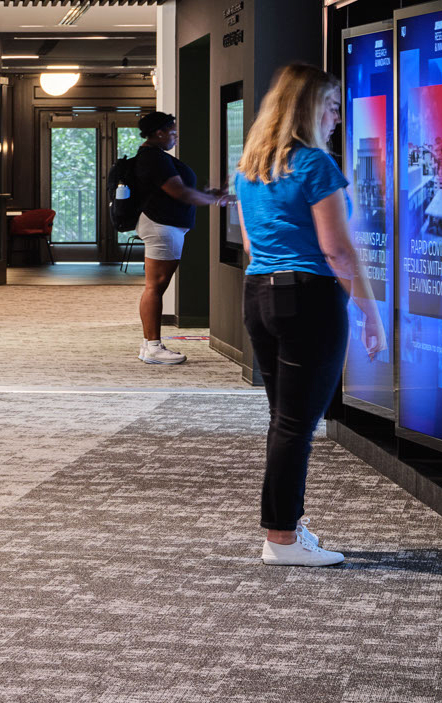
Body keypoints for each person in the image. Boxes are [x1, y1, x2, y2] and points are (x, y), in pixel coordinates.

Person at [233, 62, 386, 566]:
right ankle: (281, 538)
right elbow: (338, 251)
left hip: (260, 294)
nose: (339, 116)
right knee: (296, 425)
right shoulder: (316, 166)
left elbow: (253, 242)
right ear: (308, 108)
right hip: (308, 298)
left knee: (284, 420)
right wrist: (371, 313)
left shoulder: (251, 167)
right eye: (332, 105)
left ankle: (286, 528)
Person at [130, 111, 229, 364]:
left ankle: (148, 345)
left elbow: (181, 191)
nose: (175, 136)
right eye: (172, 131)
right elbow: (180, 192)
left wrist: (209, 194)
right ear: (159, 132)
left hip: (163, 225)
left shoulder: (154, 157)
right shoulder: (153, 158)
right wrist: (215, 199)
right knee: (156, 286)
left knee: (155, 286)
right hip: (162, 226)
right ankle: (153, 347)